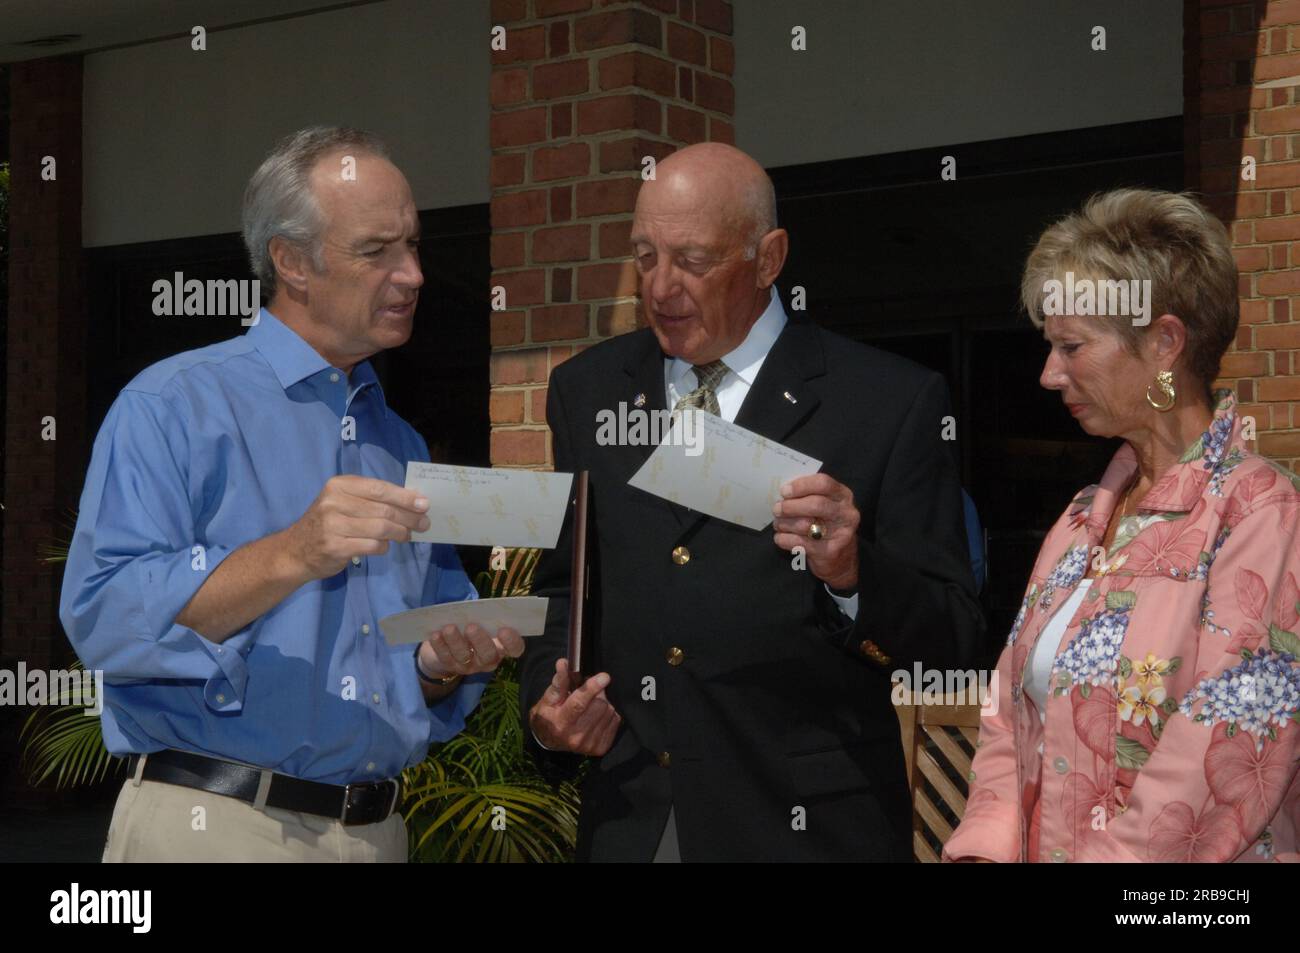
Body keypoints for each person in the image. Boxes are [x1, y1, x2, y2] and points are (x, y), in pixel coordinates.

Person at [59, 126, 522, 862]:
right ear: (291, 262)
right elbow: (104, 613)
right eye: (378, 251)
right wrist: (295, 551)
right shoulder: (172, 405)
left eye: (414, 245)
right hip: (220, 829)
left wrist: (438, 666)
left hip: (379, 834)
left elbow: (407, 663)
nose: (413, 274)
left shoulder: (397, 441)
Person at [519, 142, 985, 861]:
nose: (661, 287)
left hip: (809, 833)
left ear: (769, 258)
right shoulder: (588, 393)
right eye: (644, 256)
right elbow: (564, 594)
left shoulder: (888, 402)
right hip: (634, 825)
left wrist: (855, 575)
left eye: (693, 260)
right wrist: (547, 711)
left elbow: (952, 635)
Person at [944, 188, 1300, 863]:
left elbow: (1221, 752)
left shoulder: (1261, 514)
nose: (1049, 374)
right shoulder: (1081, 520)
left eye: (1071, 346)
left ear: (1165, 342)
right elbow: (1005, 712)